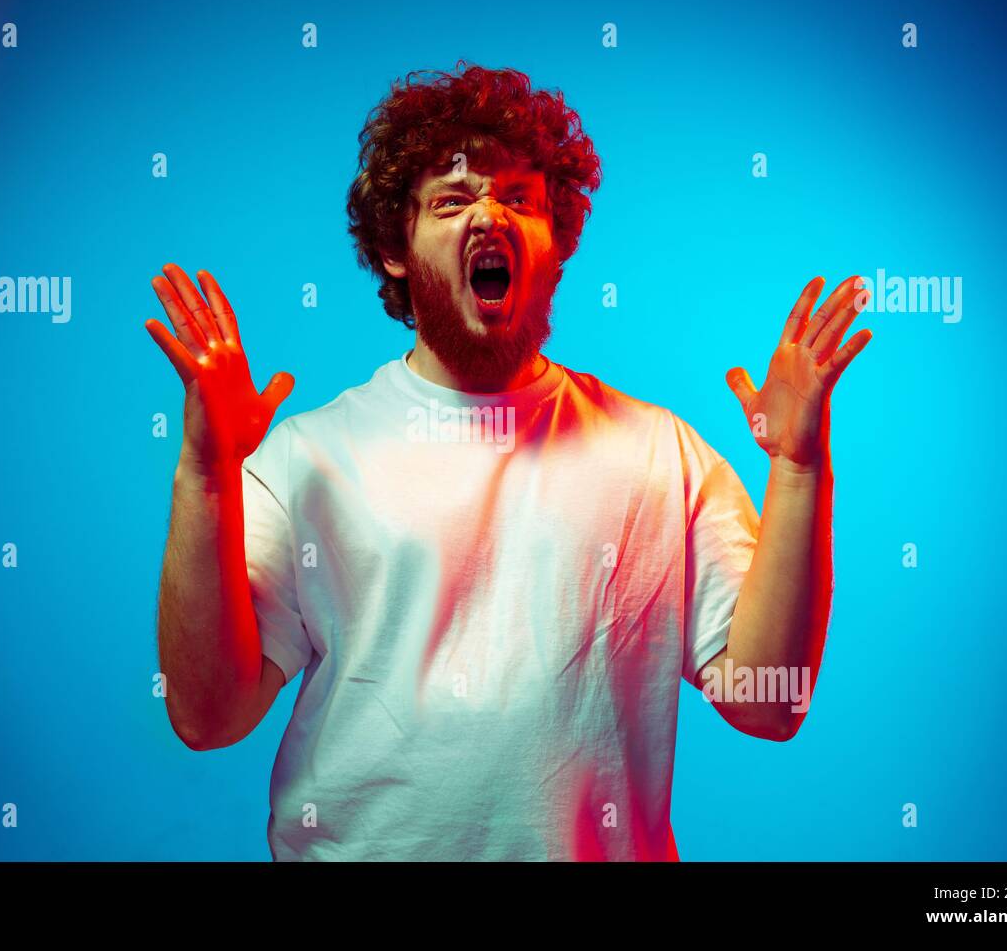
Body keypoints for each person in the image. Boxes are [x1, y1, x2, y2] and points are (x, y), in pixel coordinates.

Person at [143, 62, 873, 861]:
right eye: (452, 200)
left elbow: (770, 703)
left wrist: (800, 469)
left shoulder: (661, 453)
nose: (487, 213)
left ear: (555, 241)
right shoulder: (310, 457)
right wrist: (206, 473)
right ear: (395, 247)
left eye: (519, 200)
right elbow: (206, 717)